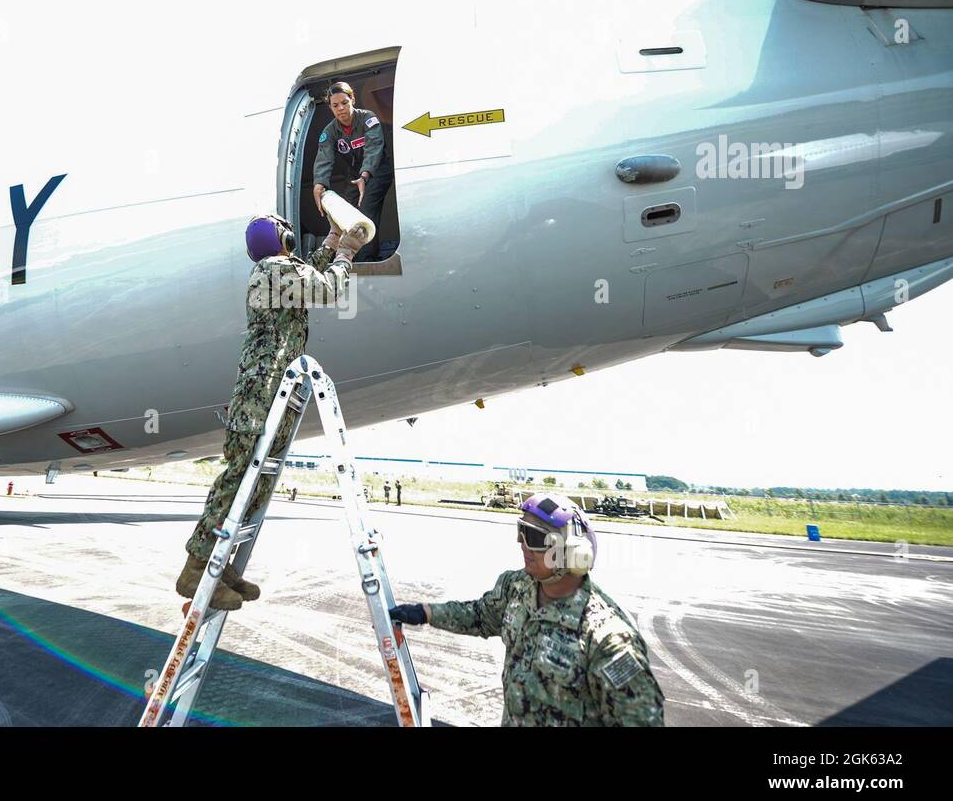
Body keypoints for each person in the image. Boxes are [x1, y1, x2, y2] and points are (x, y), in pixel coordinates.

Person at [177, 212, 365, 611]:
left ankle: (218, 564)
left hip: (271, 388)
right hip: (260, 392)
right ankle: (196, 568)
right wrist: (347, 253)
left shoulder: (277, 272)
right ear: (281, 237)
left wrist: (331, 240)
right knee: (239, 475)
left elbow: (309, 272)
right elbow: (328, 289)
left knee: (255, 482)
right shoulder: (274, 269)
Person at [389, 493, 664, 726]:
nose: (521, 543)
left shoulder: (608, 638)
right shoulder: (517, 586)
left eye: (532, 536)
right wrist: (426, 612)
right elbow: (480, 616)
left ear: (569, 550)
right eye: (520, 531)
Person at [312, 82, 392, 262]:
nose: (341, 108)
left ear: (352, 100)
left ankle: (367, 258)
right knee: (344, 212)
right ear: (331, 108)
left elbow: (374, 148)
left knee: (365, 210)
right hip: (355, 175)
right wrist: (319, 183)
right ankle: (346, 256)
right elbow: (324, 157)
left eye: (344, 102)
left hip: (377, 170)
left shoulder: (368, 119)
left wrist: (365, 174)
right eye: (335, 105)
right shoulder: (330, 131)